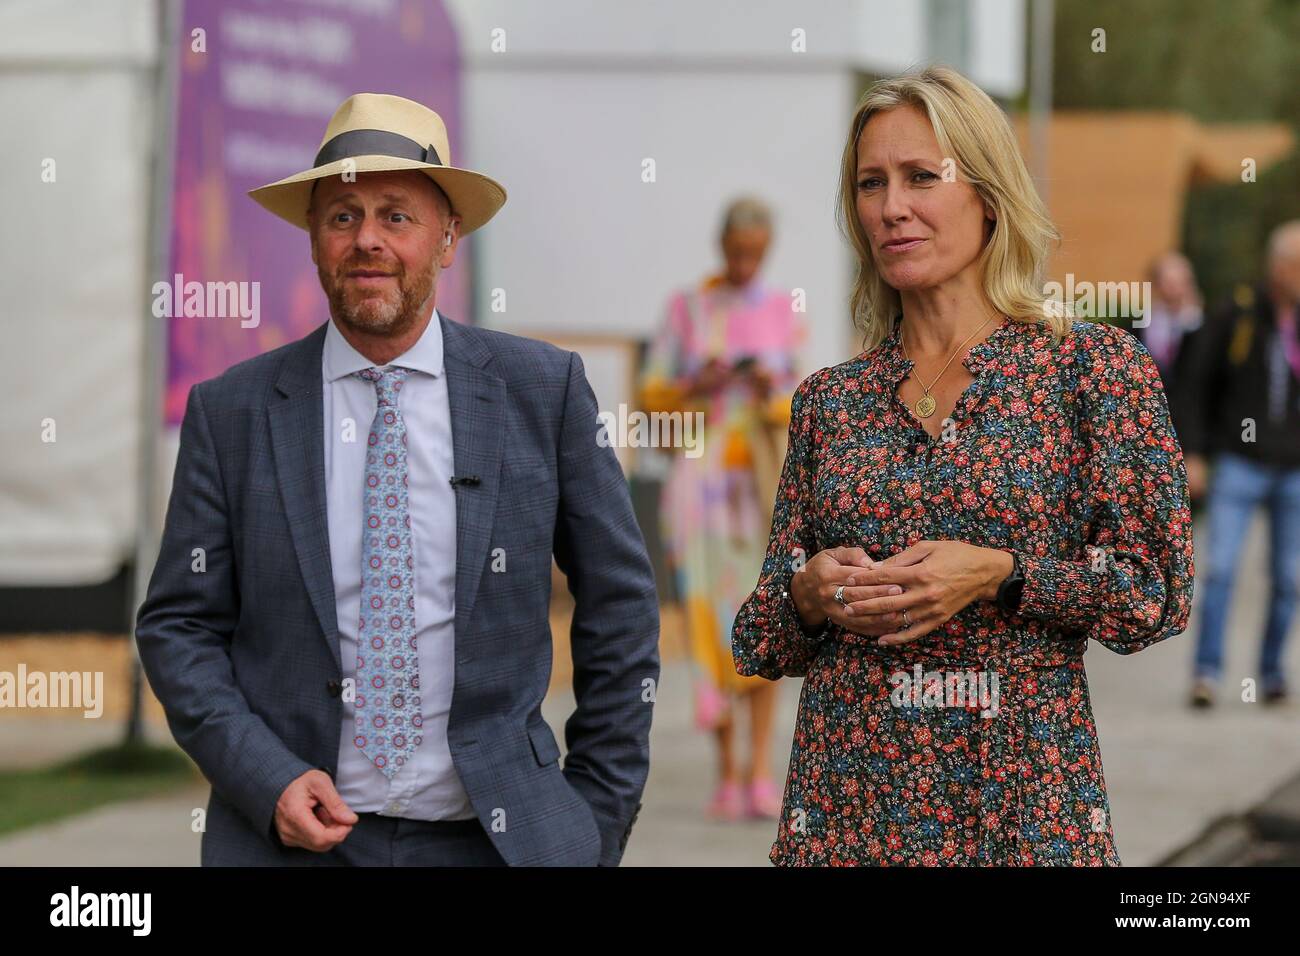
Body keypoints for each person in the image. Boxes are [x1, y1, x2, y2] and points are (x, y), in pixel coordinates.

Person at [135, 93, 660, 866]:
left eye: (396, 216)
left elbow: (620, 606)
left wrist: (594, 822)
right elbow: (178, 627)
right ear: (313, 238)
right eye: (343, 216)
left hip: (498, 844)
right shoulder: (232, 413)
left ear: (448, 238)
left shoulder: (541, 393)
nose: (367, 240)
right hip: (293, 844)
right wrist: (267, 778)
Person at [731, 66, 1194, 866]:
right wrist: (806, 596)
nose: (891, 207)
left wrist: (1003, 574)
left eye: (921, 176)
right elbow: (759, 642)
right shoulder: (829, 401)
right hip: (846, 819)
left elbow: (1155, 594)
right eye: (871, 183)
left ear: (988, 195)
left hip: (1021, 814)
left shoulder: (1091, 371)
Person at [639, 197, 804, 820]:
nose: (744, 264)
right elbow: (652, 396)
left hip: (758, 486)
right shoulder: (687, 309)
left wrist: (767, 390)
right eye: (737, 252)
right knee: (712, 623)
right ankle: (727, 771)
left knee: (764, 616)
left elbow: (796, 399)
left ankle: (760, 770)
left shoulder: (783, 309)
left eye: (755, 254)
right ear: (721, 245)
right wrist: (696, 383)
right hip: (699, 491)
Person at [1177, 220, 1300, 708]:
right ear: (1278, 266)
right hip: (1239, 461)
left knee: (1289, 576)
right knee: (1222, 568)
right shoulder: (1239, 312)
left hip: (1294, 467)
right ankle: (1207, 672)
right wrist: (1194, 452)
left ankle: (1271, 673)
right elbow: (1196, 382)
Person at [1135, 251, 1203, 439]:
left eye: (1180, 282)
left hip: (1188, 428)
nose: (1174, 289)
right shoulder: (1140, 326)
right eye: (1168, 281)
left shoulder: (1201, 329)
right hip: (1148, 424)